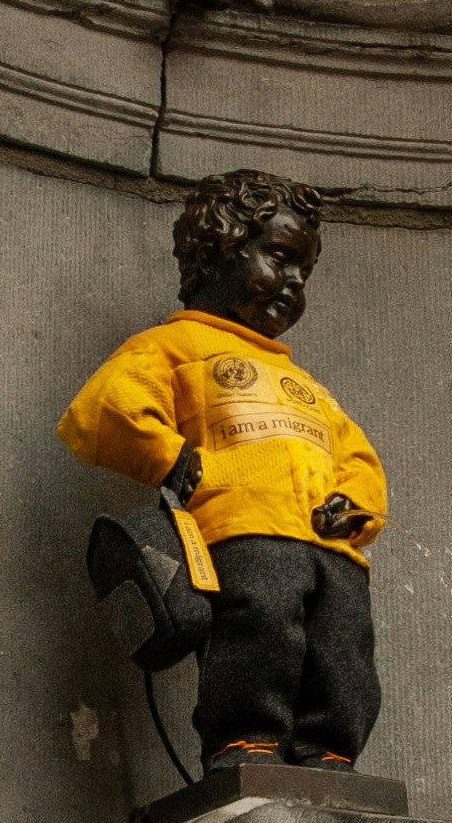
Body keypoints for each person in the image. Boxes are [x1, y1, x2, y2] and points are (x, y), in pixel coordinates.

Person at [58, 169, 385, 771]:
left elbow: (356, 456)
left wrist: (356, 507)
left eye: (303, 273)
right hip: (242, 526)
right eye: (280, 258)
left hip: (329, 544)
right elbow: (104, 406)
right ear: (219, 249)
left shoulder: (307, 385)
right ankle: (246, 740)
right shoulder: (172, 346)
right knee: (256, 623)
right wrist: (171, 458)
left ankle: (330, 750)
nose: (291, 282)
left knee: (343, 646)